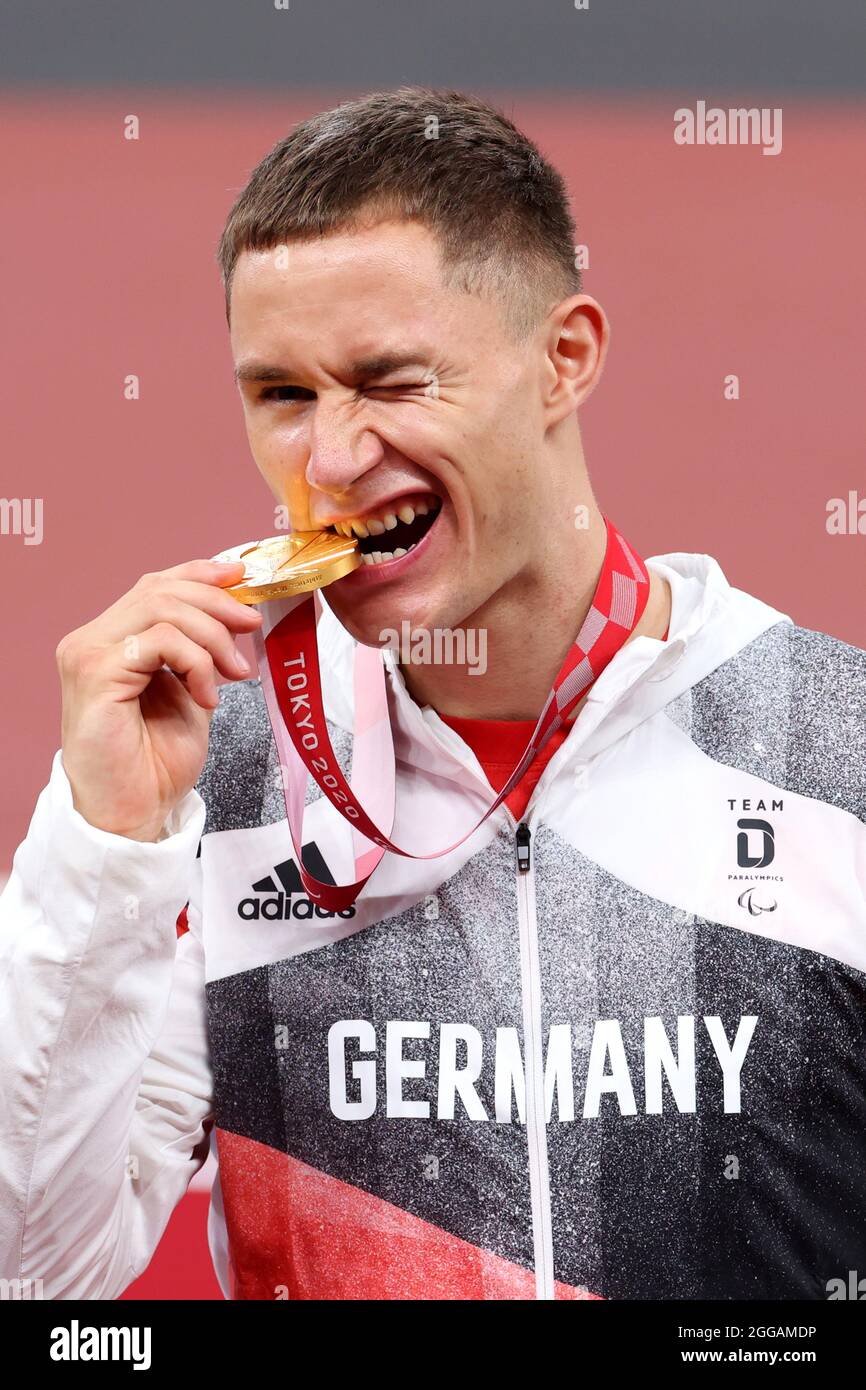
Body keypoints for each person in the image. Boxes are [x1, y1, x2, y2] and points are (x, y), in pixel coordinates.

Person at [1, 87, 864, 1302]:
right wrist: (101, 850)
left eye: (391, 382)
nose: (332, 464)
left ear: (562, 359)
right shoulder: (215, 790)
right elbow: (34, 1277)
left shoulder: (835, 749)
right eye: (283, 396)